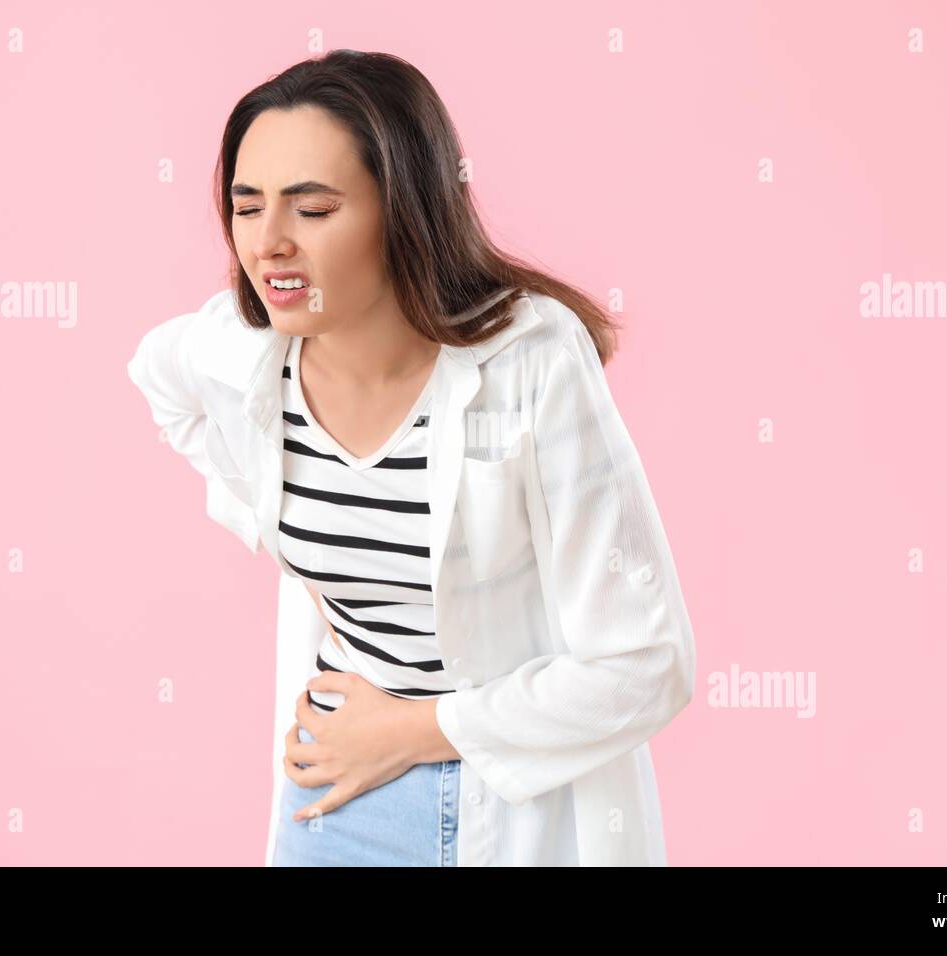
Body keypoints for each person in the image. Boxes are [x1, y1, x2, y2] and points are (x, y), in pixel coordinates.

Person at [127, 49, 697, 866]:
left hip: (505, 806)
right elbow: (158, 380)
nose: (270, 244)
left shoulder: (527, 360)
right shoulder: (240, 353)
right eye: (246, 208)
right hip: (330, 797)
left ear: (403, 210)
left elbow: (647, 662)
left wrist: (411, 732)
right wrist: (261, 503)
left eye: (313, 209)